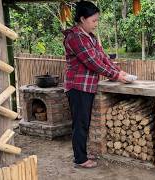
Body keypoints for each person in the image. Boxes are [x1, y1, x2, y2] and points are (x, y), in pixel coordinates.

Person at [62, 1, 128, 168]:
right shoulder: (75, 37)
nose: (96, 24)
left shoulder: (89, 36)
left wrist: (118, 71)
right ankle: (80, 159)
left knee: (84, 121)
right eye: (94, 20)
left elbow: (103, 57)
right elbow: (92, 62)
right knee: (80, 123)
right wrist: (116, 75)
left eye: (97, 20)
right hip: (77, 87)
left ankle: (82, 153)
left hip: (87, 86)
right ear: (82, 19)